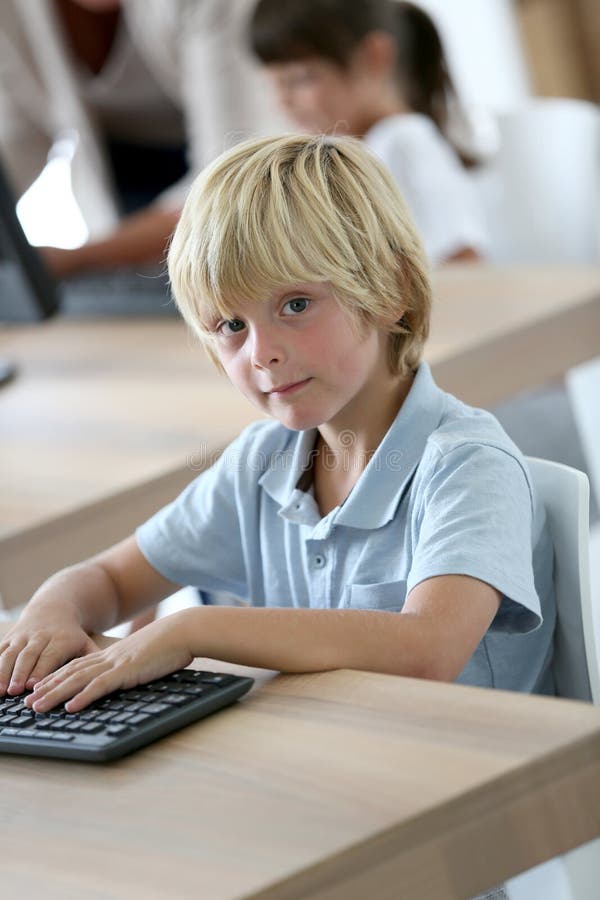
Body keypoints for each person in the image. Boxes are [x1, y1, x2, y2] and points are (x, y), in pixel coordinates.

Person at [0, 134, 554, 716]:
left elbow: (428, 649)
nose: (261, 353)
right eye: (231, 324)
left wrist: (190, 630)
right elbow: (111, 581)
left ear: (391, 290)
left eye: (295, 305)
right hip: (326, 756)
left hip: (469, 778)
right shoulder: (264, 461)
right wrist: (46, 616)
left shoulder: (466, 465)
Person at [0, 0, 288, 279]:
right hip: (126, 184)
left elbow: (234, 179)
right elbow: (19, 141)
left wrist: (79, 258)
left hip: (219, 183)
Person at [249, 0, 488, 265]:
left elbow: (463, 257)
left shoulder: (404, 142)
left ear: (374, 56)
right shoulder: (356, 151)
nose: (282, 101)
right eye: (272, 83)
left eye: (300, 78)